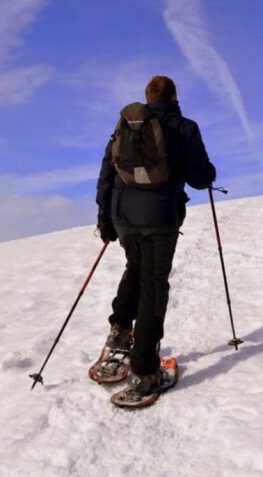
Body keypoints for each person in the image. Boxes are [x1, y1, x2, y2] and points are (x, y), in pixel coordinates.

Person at [95, 75, 216, 398]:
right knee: (153, 285)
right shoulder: (183, 126)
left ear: (148, 97)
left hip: (123, 218)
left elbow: (107, 172)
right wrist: (210, 170)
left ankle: (119, 332)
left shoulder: (125, 125)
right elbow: (201, 178)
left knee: (134, 269)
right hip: (160, 219)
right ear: (174, 96)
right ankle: (146, 370)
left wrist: (104, 218)